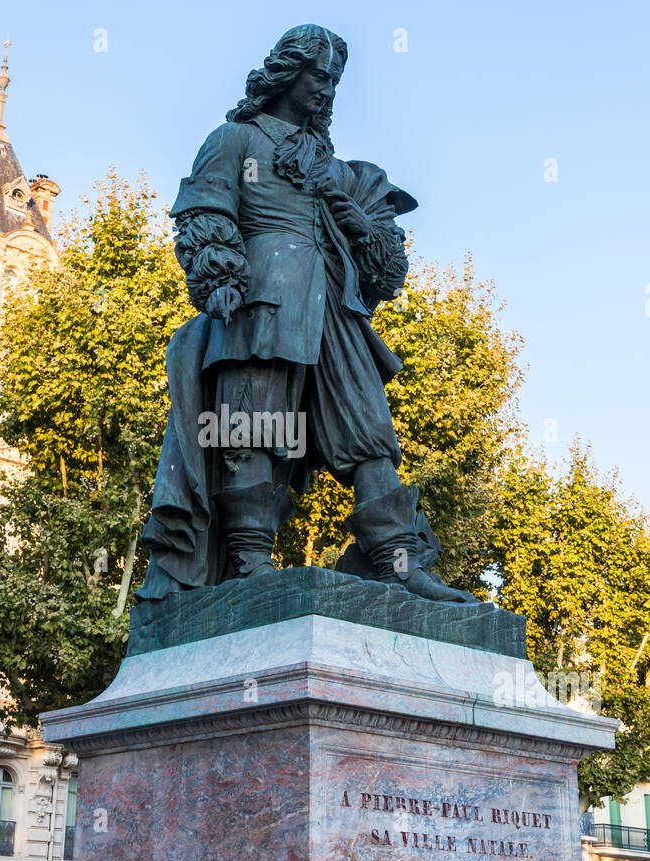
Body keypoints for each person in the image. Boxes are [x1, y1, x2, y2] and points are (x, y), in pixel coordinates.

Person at [137, 23, 471, 604]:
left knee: (370, 435)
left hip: (336, 312)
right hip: (260, 298)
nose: (327, 89)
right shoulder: (235, 140)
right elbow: (205, 210)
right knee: (254, 426)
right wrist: (218, 278)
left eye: (336, 80)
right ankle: (249, 561)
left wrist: (353, 214)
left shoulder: (339, 171)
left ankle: (399, 560)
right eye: (320, 75)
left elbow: (386, 275)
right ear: (288, 71)